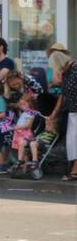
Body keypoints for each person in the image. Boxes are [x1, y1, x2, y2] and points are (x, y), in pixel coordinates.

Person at [44, 49, 76, 181]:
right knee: (72, 142)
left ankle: (75, 170)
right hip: (72, 111)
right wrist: (53, 114)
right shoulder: (67, 73)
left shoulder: (74, 71)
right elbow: (62, 95)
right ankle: (74, 169)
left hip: (75, 110)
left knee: (74, 141)